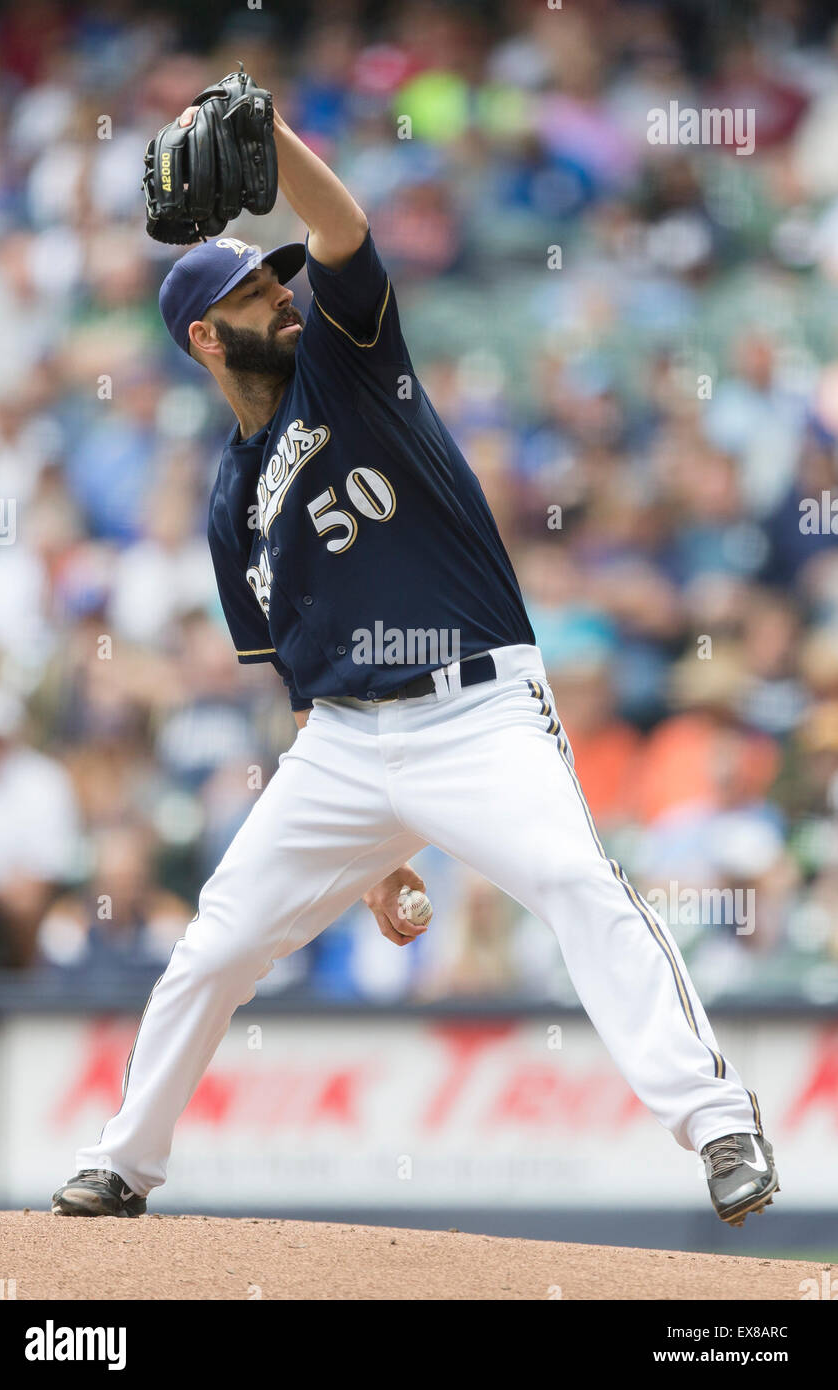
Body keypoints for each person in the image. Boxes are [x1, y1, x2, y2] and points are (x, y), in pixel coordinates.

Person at [53, 98, 778, 1227]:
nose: (282, 295)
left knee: (579, 885)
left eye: (277, 281)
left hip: (479, 711)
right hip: (344, 744)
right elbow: (301, 673)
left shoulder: (346, 363)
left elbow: (340, 234)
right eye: (254, 293)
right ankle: (123, 1161)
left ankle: (719, 1120)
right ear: (205, 336)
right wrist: (378, 847)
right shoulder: (227, 505)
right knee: (214, 944)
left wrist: (272, 136)